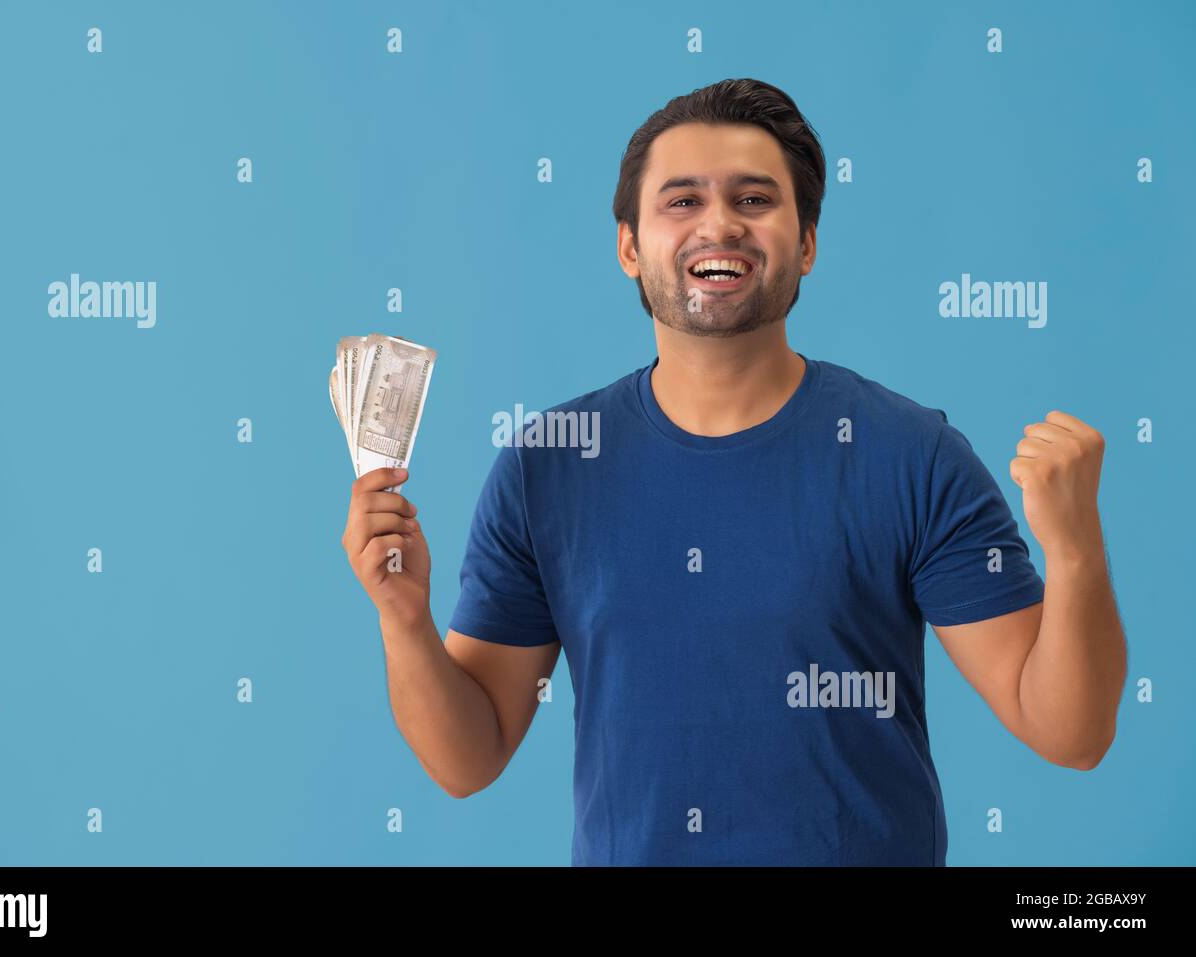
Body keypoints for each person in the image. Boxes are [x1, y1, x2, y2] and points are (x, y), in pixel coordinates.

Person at [341, 78, 1127, 866]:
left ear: (807, 243)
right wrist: (403, 619)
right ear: (628, 247)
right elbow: (467, 758)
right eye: (681, 201)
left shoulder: (913, 455)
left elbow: (1071, 733)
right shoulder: (549, 465)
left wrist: (1076, 550)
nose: (719, 223)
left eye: (755, 199)